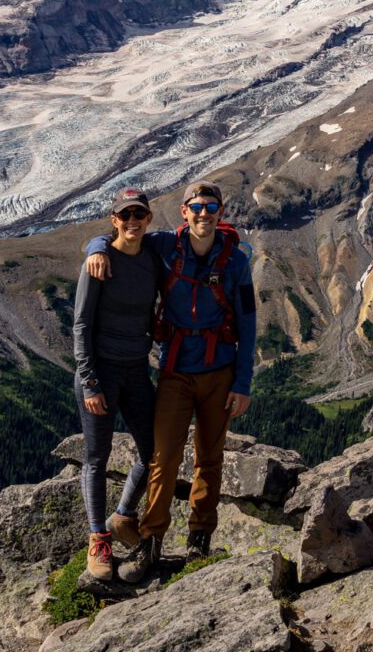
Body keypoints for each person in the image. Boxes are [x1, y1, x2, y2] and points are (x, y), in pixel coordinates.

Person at [83, 180, 257, 583]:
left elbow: (248, 324)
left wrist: (243, 383)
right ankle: (151, 540)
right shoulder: (166, 245)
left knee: (209, 458)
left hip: (220, 370)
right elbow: (120, 232)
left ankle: (199, 537)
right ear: (184, 211)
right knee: (163, 457)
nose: (203, 214)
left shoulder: (235, 261)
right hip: (176, 369)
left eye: (210, 207)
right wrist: (94, 246)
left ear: (221, 211)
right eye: (196, 207)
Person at [72, 187, 161, 581]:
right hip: (102, 372)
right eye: (124, 216)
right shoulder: (99, 261)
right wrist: (90, 383)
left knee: (152, 450)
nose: (132, 222)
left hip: (137, 369)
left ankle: (123, 515)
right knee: (96, 457)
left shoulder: (154, 257)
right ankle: (98, 540)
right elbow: (80, 325)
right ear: (114, 221)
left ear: (148, 220)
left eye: (138, 215)